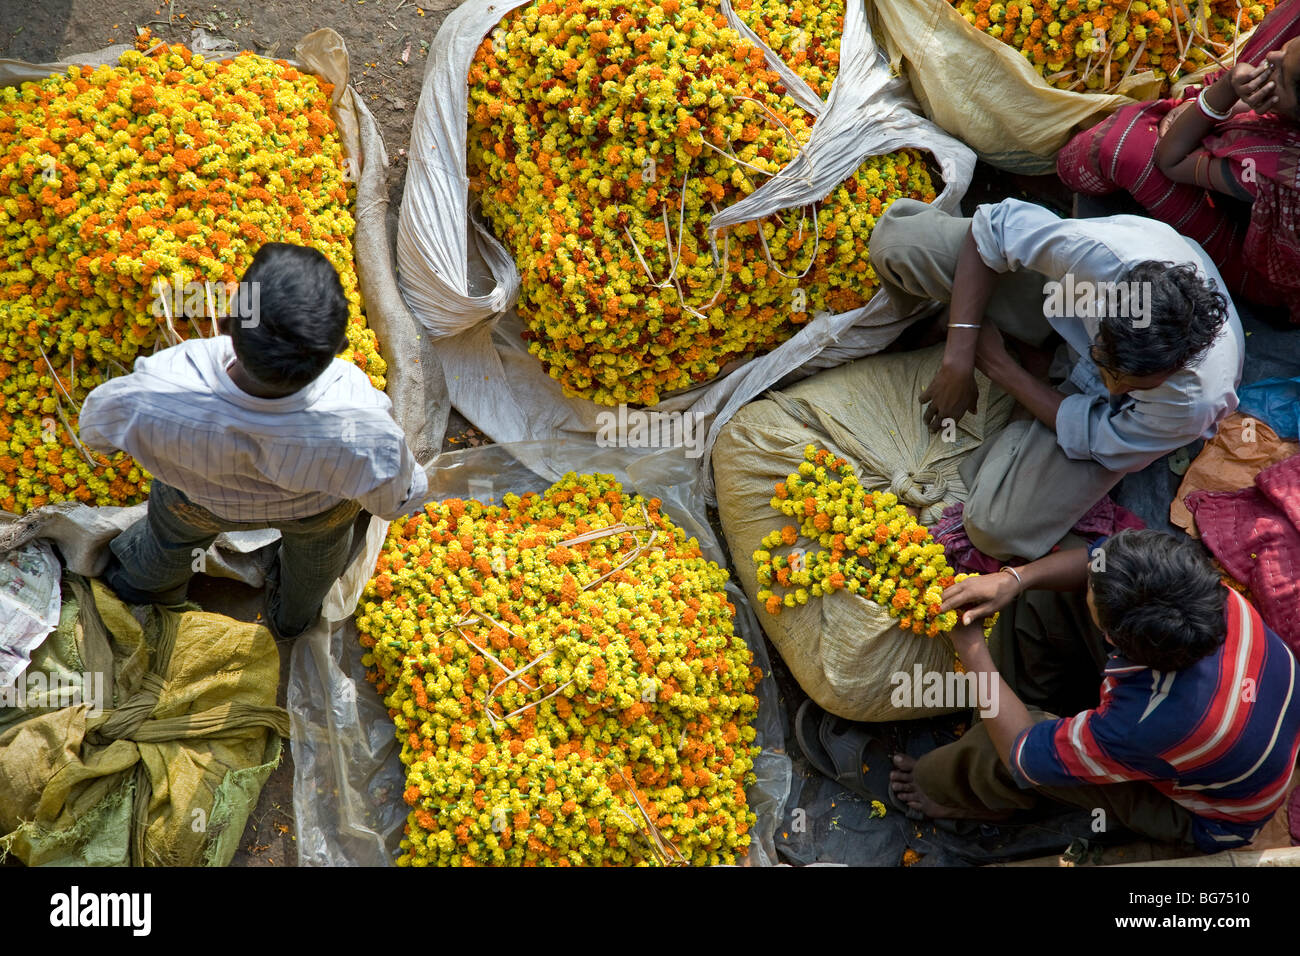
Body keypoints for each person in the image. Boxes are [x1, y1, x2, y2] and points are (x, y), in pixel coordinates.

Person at [79, 242, 429, 639]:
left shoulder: (164, 386)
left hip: (194, 502)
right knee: (315, 564)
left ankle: (139, 593)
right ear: (338, 350)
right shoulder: (359, 418)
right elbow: (397, 500)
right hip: (315, 513)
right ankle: (292, 620)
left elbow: (96, 431)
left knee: (169, 545)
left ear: (227, 323)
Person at [867, 196, 1243, 561]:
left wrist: (999, 367)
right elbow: (992, 231)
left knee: (995, 528)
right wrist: (959, 355)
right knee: (899, 244)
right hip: (1061, 303)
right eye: (1108, 366)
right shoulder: (1100, 258)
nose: (1115, 387)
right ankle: (1030, 350)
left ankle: (1032, 365)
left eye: (1133, 386)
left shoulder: (1192, 400)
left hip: (1113, 418)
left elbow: (1100, 436)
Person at [889, 530, 1300, 852]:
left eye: (1094, 606)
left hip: (1204, 814)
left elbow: (1019, 754)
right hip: (1228, 732)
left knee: (990, 750)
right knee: (1041, 590)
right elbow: (1096, 562)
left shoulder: (1151, 721)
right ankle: (1029, 703)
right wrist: (1014, 579)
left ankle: (961, 796)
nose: (1089, 583)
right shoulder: (1198, 590)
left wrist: (971, 646)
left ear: (1112, 639)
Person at [1057, 0, 1300, 322]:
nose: (1271, 56)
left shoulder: (1271, 171)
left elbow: (1170, 159)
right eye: (1284, 49)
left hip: (1271, 282)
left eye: (1281, 72)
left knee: (1121, 150)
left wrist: (1226, 88)